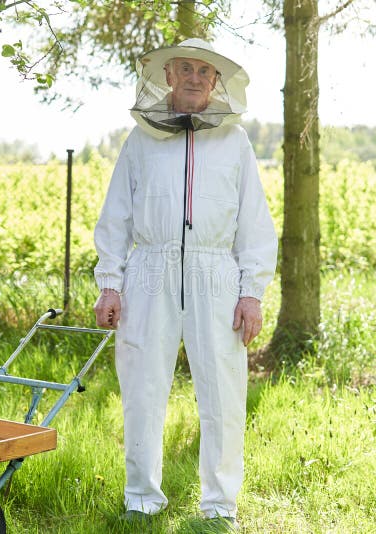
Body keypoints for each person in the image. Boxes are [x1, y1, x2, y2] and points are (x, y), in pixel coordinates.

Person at [92, 38, 278, 527]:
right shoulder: (140, 140)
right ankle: (141, 498)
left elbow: (255, 225)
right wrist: (110, 283)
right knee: (142, 387)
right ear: (168, 76)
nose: (195, 77)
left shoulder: (235, 142)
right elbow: (116, 217)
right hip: (148, 273)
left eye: (204, 70)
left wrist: (251, 292)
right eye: (185, 69)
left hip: (215, 273)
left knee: (222, 391)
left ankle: (219, 505)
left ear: (216, 82)